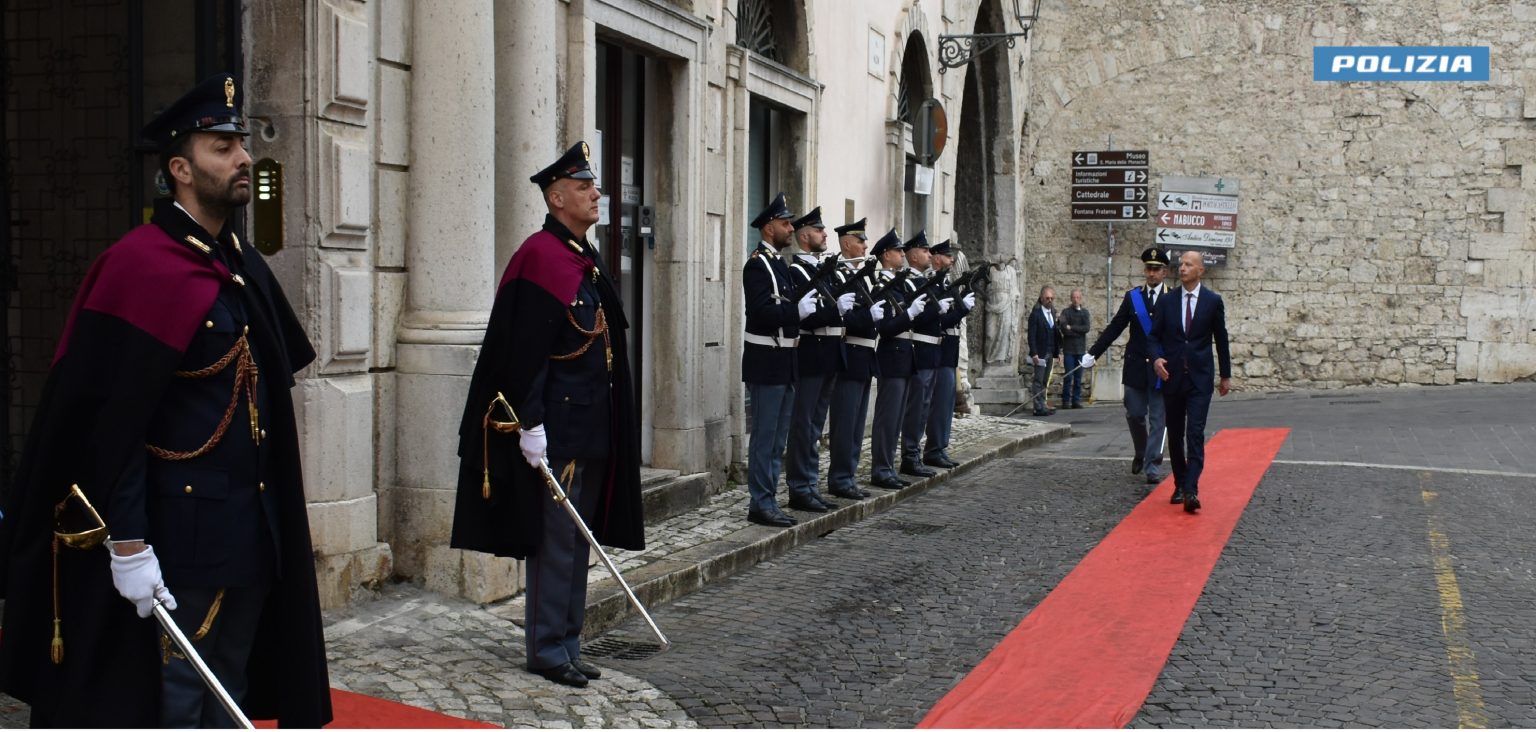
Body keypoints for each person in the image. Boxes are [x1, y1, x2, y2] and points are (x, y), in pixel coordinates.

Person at [0, 73, 331, 727]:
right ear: (180, 168)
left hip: (251, 533)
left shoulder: (239, 261)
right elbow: (109, 426)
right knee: (175, 699)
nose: (243, 159)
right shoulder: (139, 266)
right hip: (179, 540)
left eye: (241, 144)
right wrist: (127, 544)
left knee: (228, 688)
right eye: (221, 147)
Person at [450, 141, 645, 688]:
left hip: (592, 425)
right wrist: (529, 424)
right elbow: (522, 353)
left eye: (594, 184)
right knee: (556, 542)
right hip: (557, 427)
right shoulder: (539, 255)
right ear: (556, 197)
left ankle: (569, 639)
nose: (596, 193)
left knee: (578, 542)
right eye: (585, 187)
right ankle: (546, 647)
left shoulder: (584, 257)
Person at [736, 192, 817, 527]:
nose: (790, 229)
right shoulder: (757, 265)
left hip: (785, 360)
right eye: (785, 224)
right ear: (769, 228)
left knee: (778, 438)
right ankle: (761, 502)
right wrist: (794, 311)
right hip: (766, 360)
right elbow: (760, 311)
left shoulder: (779, 265)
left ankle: (769, 498)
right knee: (765, 438)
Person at [782, 206, 855, 513]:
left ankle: (810, 483)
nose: (826, 234)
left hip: (829, 355)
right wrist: (835, 309)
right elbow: (806, 318)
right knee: (804, 425)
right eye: (820, 230)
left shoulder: (823, 269)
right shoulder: (797, 270)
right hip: (811, 354)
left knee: (815, 425)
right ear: (804, 235)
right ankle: (800, 486)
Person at [1150, 251, 1233, 513]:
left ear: (1200, 271)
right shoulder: (1167, 301)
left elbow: (1221, 339)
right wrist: (1156, 359)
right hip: (1172, 377)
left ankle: (1192, 488)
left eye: (1188, 265)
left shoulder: (1212, 302)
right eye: (1181, 264)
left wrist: (1225, 375)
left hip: (1200, 378)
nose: (1182, 268)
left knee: (1195, 433)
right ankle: (1179, 482)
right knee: (1174, 434)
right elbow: (1153, 337)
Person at [1081, 247, 1172, 483]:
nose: (1151, 273)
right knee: (1135, 414)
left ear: (1165, 272)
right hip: (1135, 367)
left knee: (1158, 419)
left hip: (1161, 369)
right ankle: (1141, 451)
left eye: (1156, 269)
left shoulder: (1172, 299)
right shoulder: (1133, 298)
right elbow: (1115, 327)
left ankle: (1152, 466)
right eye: (1148, 268)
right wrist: (1093, 353)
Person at [824, 219, 891, 501]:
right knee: (845, 421)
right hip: (849, 354)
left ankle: (848, 475)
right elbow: (846, 318)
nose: (866, 245)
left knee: (855, 425)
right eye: (861, 241)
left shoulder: (863, 275)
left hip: (865, 356)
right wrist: (869, 317)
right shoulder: (839, 275)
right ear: (847, 243)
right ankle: (839, 478)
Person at [868, 230, 929, 491]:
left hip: (904, 355)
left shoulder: (898, 283)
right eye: (898, 252)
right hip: (891, 355)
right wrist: (909, 315)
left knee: (896, 418)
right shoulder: (882, 285)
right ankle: (881, 469)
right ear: (886, 255)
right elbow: (886, 328)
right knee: (887, 418)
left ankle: (888, 467)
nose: (902, 255)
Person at [922, 240, 976, 468]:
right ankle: (933, 449)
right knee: (938, 404)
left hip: (950, 350)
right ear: (935, 258)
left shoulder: (947, 282)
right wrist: (961, 309)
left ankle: (940, 446)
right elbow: (939, 320)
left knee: (946, 403)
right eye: (946, 256)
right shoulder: (930, 282)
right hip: (940, 348)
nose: (951, 260)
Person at [898, 232, 943, 479]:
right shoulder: (906, 283)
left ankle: (914, 452)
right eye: (925, 251)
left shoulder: (924, 282)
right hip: (920, 350)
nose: (929, 255)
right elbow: (915, 319)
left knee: (924, 407)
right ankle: (910, 454)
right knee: (916, 408)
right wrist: (936, 310)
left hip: (932, 351)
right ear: (913, 255)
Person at [1025, 285, 1060, 416]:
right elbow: (1031, 335)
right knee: (1038, 380)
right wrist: (1034, 353)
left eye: (1051, 298)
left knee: (1045, 380)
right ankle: (1037, 407)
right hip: (1040, 352)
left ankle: (1043, 403)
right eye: (1047, 298)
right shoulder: (1036, 314)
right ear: (1041, 298)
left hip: (1050, 351)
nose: (1049, 300)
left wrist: (1058, 352)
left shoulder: (1053, 312)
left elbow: (1056, 333)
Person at [1057, 288, 1090, 409]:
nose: (1076, 300)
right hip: (1069, 350)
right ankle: (1066, 401)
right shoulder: (1066, 312)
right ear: (1071, 298)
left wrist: (1072, 328)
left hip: (1080, 350)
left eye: (1078, 297)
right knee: (1068, 376)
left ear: (1080, 299)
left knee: (1078, 377)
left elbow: (1086, 328)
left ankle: (1076, 401)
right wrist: (1075, 330)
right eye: (1074, 297)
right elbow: (1064, 329)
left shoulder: (1085, 313)